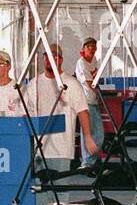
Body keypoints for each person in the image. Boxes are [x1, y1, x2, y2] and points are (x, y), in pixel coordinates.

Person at [29, 44, 97, 172]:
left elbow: (82, 112)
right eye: (47, 57)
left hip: (62, 150)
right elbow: (27, 111)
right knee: (40, 189)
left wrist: (87, 137)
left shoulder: (71, 83)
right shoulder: (34, 83)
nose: (50, 60)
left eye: (54, 57)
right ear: (43, 59)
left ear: (60, 59)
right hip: (39, 149)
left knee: (61, 189)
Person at [74, 37, 103, 165]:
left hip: (93, 101)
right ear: (83, 49)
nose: (91, 48)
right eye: (88, 46)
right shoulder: (81, 63)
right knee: (88, 133)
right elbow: (89, 81)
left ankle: (92, 158)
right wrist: (99, 92)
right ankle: (87, 161)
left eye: (93, 46)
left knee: (98, 133)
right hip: (85, 102)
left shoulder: (94, 61)